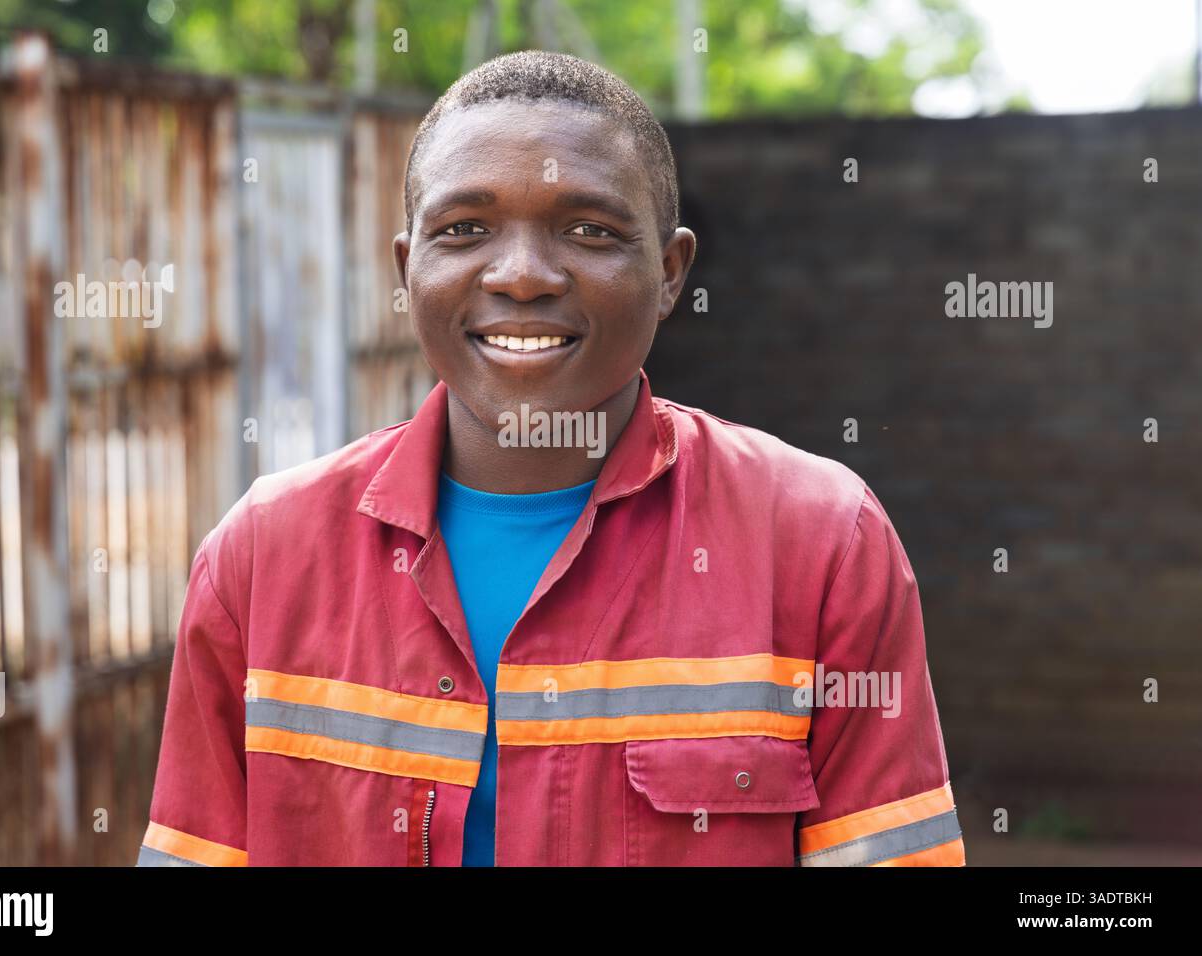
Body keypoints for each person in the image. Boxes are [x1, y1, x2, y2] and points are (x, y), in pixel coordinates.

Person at [138, 50, 964, 867]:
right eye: (465, 229)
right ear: (407, 267)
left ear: (670, 272)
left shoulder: (822, 544)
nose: (522, 276)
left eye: (589, 230)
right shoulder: (262, 558)